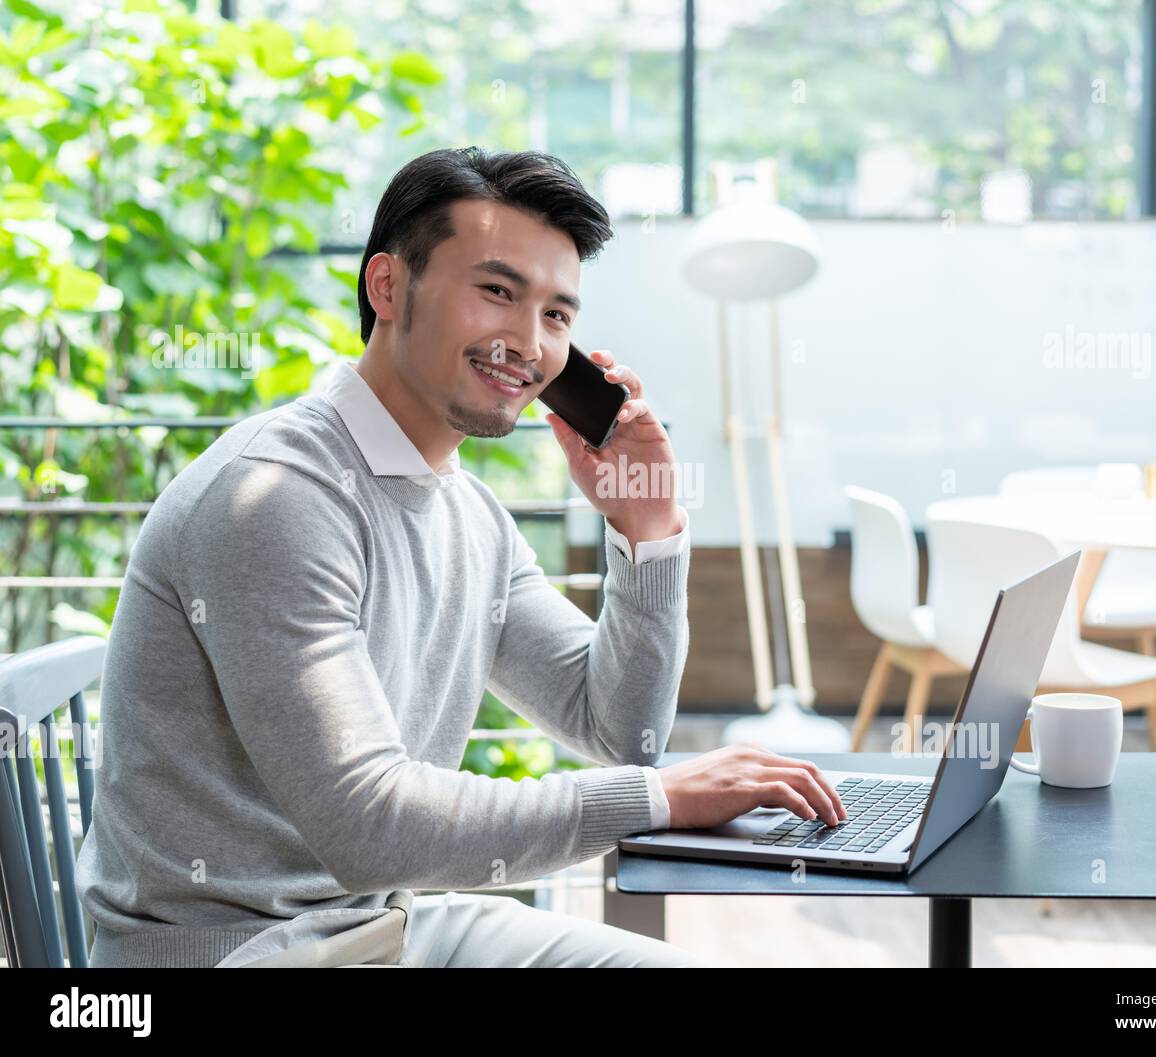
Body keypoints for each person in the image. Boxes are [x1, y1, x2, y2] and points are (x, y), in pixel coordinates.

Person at [75, 146, 844, 968]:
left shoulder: (467, 511)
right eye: (498, 292)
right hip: (243, 954)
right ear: (388, 288)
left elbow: (622, 731)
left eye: (557, 315)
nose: (528, 341)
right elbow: (373, 827)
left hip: (384, 931)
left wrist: (648, 532)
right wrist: (657, 801)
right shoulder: (274, 500)